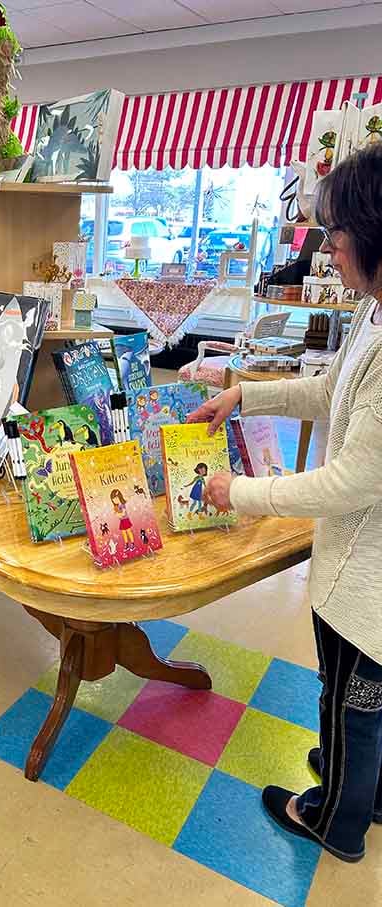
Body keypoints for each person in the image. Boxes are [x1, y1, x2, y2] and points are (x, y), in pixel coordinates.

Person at [187, 143, 382, 864]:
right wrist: (246, 392)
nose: (326, 248)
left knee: (351, 700)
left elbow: (352, 480)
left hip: (368, 578)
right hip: (356, 560)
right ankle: (365, 788)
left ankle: (335, 816)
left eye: (338, 233)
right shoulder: (373, 310)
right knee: (357, 698)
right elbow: (329, 391)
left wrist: (241, 492)